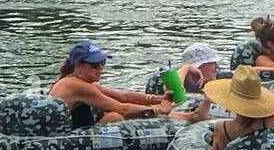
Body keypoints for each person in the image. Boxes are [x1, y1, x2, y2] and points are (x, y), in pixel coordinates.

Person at [49, 41, 209, 128]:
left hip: (84, 125)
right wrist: (158, 110)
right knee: (115, 117)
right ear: (78, 66)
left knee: (117, 113)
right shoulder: (75, 86)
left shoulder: (82, 82)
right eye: (94, 64)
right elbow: (122, 108)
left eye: (102, 63)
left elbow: (123, 96)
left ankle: (191, 117)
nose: (100, 69)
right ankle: (191, 118)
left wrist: (159, 99)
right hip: (70, 136)